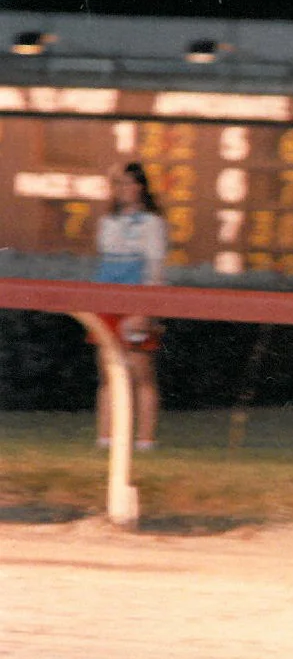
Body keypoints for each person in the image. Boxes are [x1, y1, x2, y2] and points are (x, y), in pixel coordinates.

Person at [93, 162, 167, 450]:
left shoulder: (152, 224)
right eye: (119, 184)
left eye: (129, 183)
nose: (124, 189)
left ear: (141, 187)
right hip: (106, 302)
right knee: (108, 370)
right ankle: (105, 438)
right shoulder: (108, 222)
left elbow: (155, 270)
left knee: (140, 372)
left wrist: (145, 311)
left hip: (136, 302)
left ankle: (145, 439)